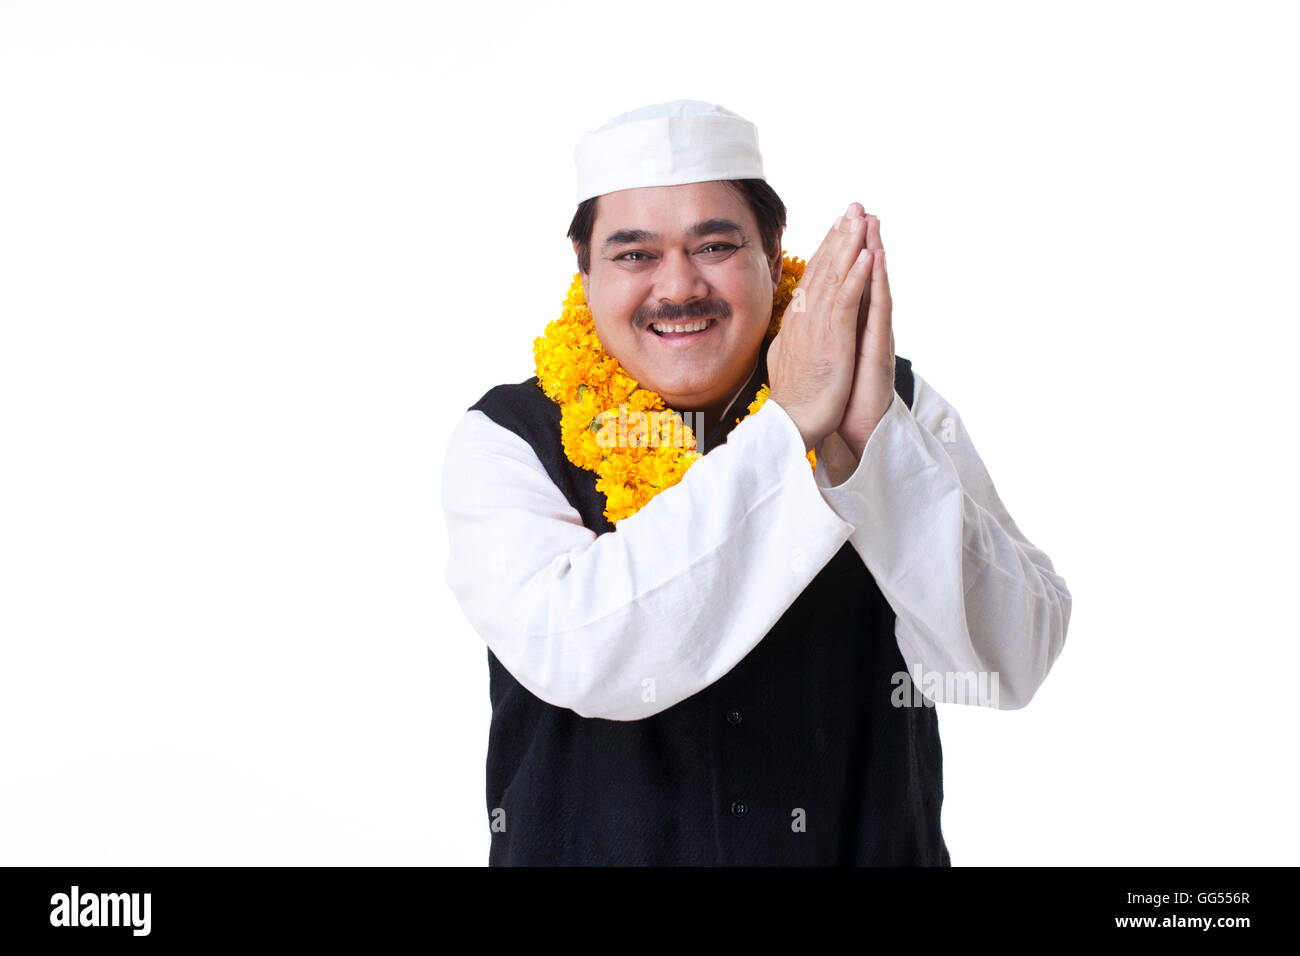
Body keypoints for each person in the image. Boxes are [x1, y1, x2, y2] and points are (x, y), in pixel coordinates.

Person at [441, 99, 1072, 866]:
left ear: (774, 253)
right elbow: (586, 651)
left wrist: (873, 446)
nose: (678, 288)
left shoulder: (889, 402)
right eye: (634, 254)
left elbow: (1009, 661)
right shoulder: (506, 441)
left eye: (714, 245)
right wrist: (794, 423)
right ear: (584, 270)